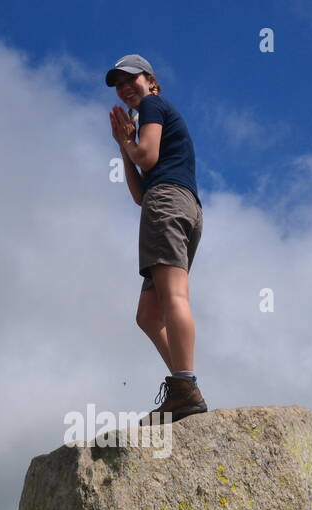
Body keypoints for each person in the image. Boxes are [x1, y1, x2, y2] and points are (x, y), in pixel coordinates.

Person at [106, 54, 207, 425]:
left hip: (168, 202)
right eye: (119, 84)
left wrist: (133, 146)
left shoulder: (152, 104)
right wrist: (123, 146)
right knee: (148, 315)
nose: (125, 87)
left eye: (131, 78)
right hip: (168, 203)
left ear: (150, 80)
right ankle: (187, 389)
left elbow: (147, 157)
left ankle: (184, 386)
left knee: (174, 297)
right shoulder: (148, 112)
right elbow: (138, 193)